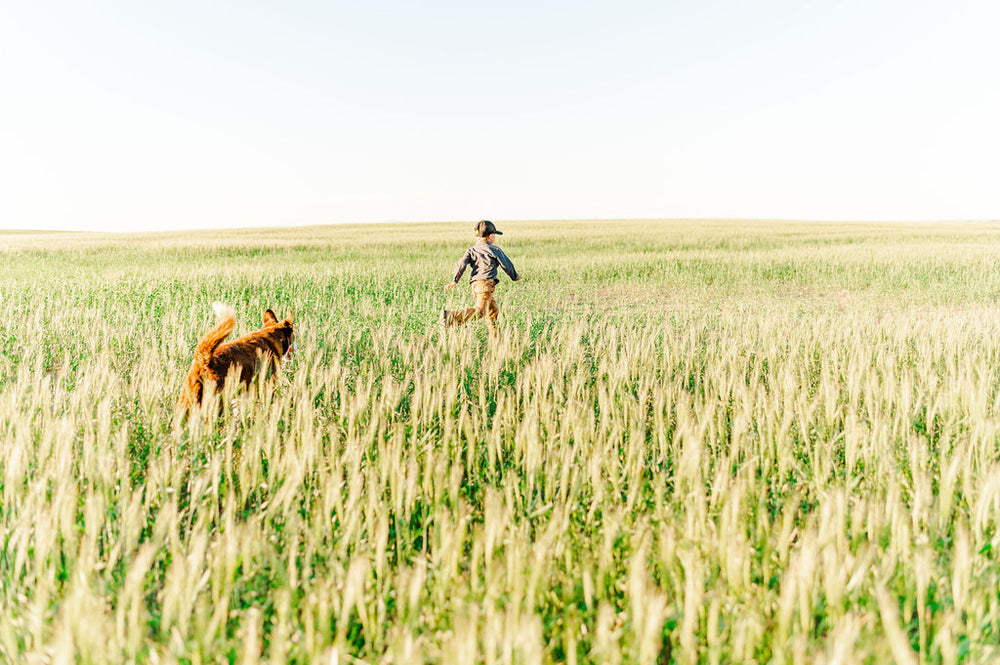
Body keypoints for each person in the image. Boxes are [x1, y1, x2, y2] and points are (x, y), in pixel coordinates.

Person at [443, 220, 521, 332]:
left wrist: (455, 280)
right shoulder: (495, 250)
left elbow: (461, 264)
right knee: (480, 311)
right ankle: (449, 317)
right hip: (485, 284)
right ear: (490, 236)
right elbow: (506, 265)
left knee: (493, 310)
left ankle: (496, 339)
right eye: (494, 235)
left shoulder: (471, 250)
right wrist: (515, 276)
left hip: (475, 285)